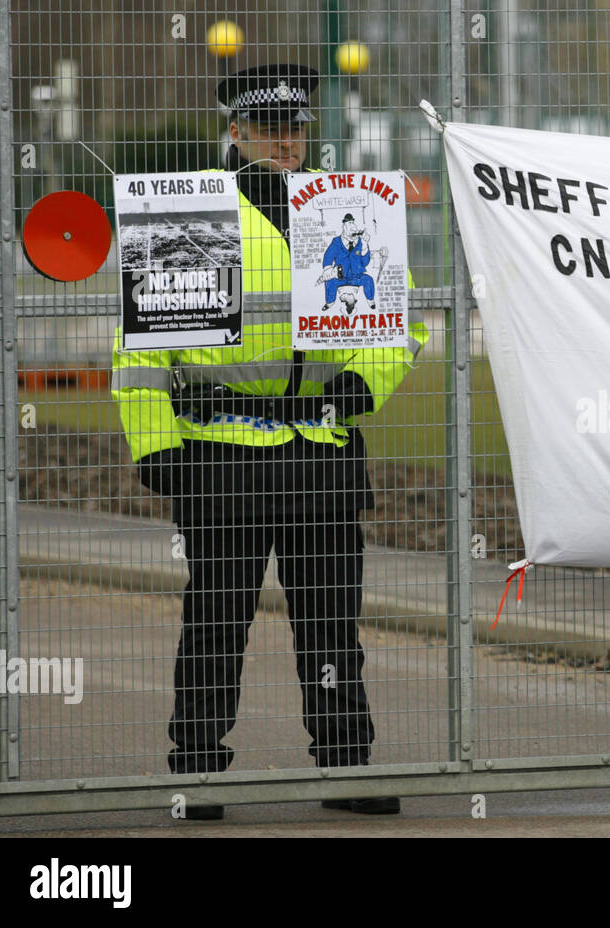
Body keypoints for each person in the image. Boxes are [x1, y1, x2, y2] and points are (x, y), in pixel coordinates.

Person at [111, 63, 428, 820]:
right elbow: (142, 343)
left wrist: (364, 383)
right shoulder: (190, 210)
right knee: (217, 620)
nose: (286, 142)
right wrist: (155, 446)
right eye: (269, 129)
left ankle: (345, 769)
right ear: (237, 132)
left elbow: (400, 317)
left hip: (320, 448)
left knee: (330, 624)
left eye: (295, 128)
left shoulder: (345, 206)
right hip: (220, 454)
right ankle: (198, 769)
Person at [320, 212, 384, 312]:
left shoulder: (360, 243)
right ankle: (329, 302)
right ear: (344, 229)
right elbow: (328, 256)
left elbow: (365, 262)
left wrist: (365, 245)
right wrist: (328, 270)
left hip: (356, 276)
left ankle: (370, 300)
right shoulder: (336, 242)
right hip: (340, 276)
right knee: (329, 282)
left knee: (368, 280)